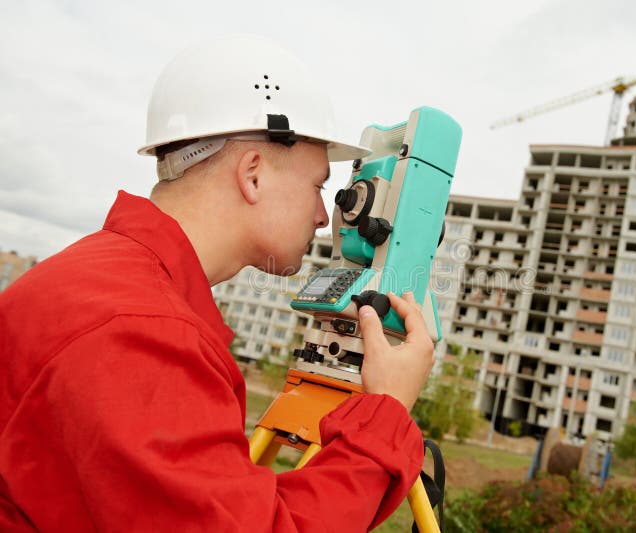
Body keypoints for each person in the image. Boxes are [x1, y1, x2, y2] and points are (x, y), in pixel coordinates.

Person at [0, 35, 435, 531]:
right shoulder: (144, 334)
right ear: (252, 175)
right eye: (317, 186)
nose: (322, 216)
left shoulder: (96, 280)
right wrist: (385, 411)